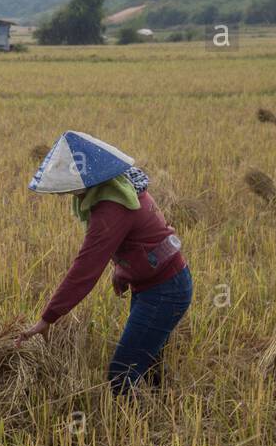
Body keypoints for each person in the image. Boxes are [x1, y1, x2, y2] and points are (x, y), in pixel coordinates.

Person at [15, 132, 191, 395]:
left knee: (121, 374)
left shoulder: (112, 207)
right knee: (147, 363)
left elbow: (86, 268)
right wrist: (123, 270)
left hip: (164, 291)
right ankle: (157, 418)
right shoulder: (120, 187)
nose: (65, 194)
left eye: (69, 183)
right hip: (159, 284)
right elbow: (143, 239)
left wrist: (48, 318)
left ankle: (136, 432)